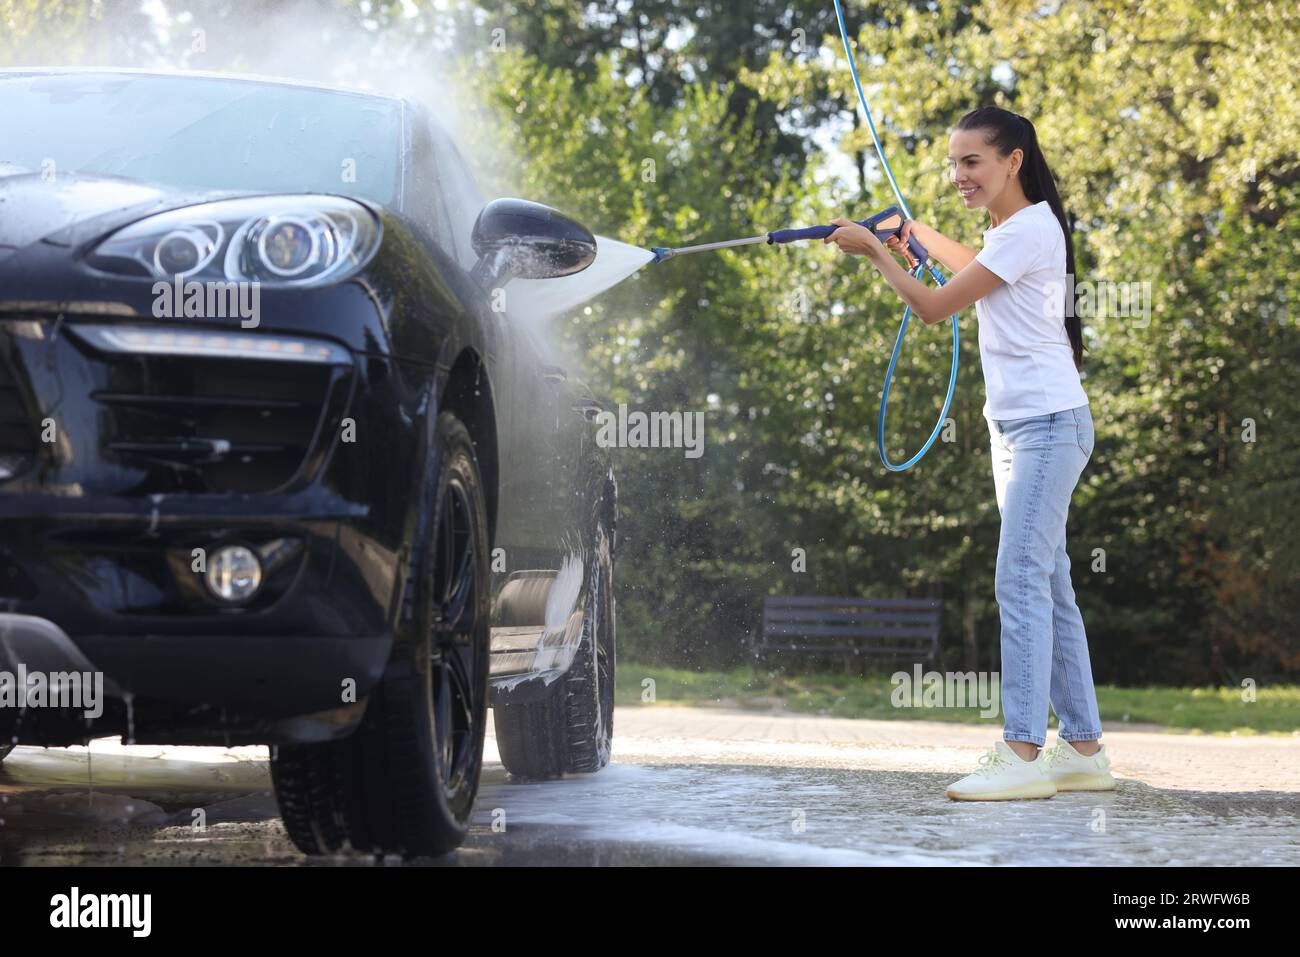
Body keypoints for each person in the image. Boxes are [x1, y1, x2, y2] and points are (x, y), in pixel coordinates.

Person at [824, 106, 1116, 800]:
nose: (959, 175)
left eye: (972, 162)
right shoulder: (1011, 232)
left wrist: (875, 253)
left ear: (1013, 160)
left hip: (1048, 425)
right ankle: (1082, 748)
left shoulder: (1030, 226)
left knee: (1018, 577)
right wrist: (912, 234)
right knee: (1049, 585)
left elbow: (933, 306)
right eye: (954, 163)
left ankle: (1020, 751)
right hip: (1017, 430)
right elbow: (971, 270)